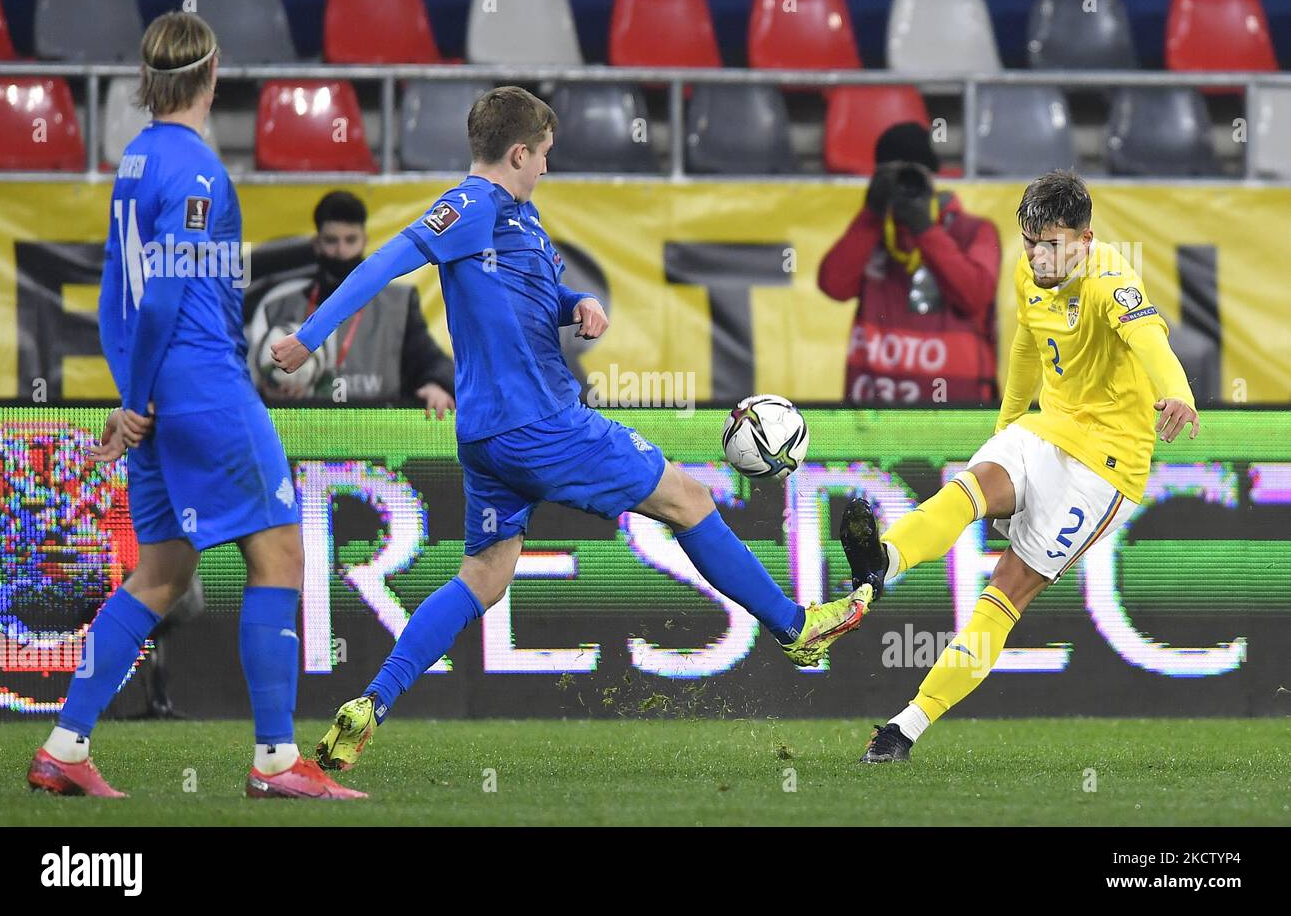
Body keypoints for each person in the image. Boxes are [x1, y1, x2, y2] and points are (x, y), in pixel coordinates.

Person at [270, 86, 871, 770]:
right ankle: (797, 628)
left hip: (489, 438)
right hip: (543, 423)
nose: (548, 169)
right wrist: (309, 335)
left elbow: (528, 294)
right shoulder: (471, 207)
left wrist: (575, 301)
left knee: (484, 576)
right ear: (519, 151)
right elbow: (383, 263)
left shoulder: (518, 219)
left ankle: (371, 702)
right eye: (545, 155)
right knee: (689, 500)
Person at [26, 12, 363, 800]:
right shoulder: (200, 172)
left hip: (155, 393)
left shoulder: (135, 162)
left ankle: (64, 745)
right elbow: (165, 300)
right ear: (212, 78)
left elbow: (121, 293)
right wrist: (142, 398)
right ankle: (277, 761)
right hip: (202, 387)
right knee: (280, 553)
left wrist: (130, 398)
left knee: (162, 574)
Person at [841, 170, 1199, 762]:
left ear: (1085, 240)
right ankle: (885, 559)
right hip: (1045, 429)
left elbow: (1150, 340)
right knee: (971, 486)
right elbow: (1028, 347)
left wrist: (1178, 391)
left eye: (1052, 242)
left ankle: (906, 726)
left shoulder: (1111, 279)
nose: (1038, 254)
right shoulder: (1027, 271)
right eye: (1031, 240)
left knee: (1007, 588)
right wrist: (1007, 427)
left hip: (1105, 465)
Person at [819, 122, 1001, 405]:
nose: (903, 187)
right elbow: (833, 285)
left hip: (955, 412)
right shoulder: (871, 233)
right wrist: (872, 212)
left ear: (932, 179)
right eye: (892, 178)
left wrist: (925, 229)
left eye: (912, 177)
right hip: (874, 411)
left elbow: (974, 295)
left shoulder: (973, 231)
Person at [247, 191, 456, 410]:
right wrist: (269, 387)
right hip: (301, 430)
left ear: (364, 241)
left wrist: (437, 384)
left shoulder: (398, 304)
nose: (341, 251)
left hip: (378, 432)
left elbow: (431, 360)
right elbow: (250, 372)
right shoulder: (279, 305)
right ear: (317, 243)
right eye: (331, 241)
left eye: (350, 240)